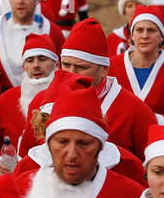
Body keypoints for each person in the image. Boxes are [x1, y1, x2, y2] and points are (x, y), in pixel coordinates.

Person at [20, 78, 144, 198]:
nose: (71, 153)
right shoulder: (20, 188)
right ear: (48, 144)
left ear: (101, 146)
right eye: (62, 142)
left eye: (83, 144)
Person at [58, 19, 157, 157]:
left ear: (104, 69)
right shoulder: (44, 103)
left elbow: (152, 165)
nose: (71, 74)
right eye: (66, 65)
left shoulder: (136, 111)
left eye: (82, 67)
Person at [0, 33, 56, 157]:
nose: (36, 65)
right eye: (30, 61)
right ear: (24, 67)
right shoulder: (5, 100)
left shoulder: (67, 96)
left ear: (56, 63)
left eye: (42, 59)